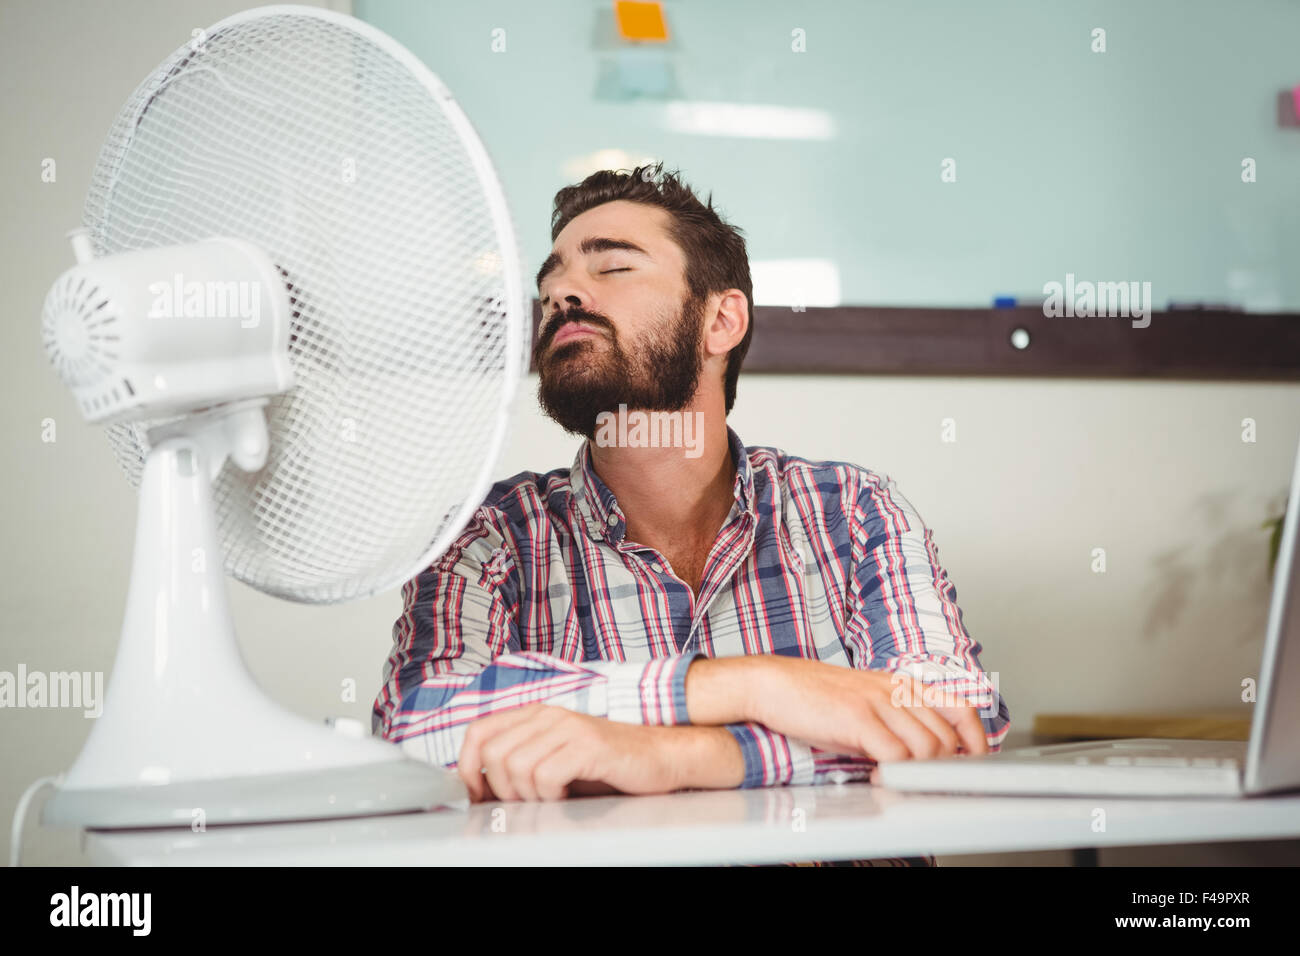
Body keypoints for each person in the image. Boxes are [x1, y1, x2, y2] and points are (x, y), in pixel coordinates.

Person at [372, 163, 1011, 866]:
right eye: (548, 283)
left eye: (612, 266)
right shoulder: (488, 537)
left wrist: (677, 754)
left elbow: (953, 725)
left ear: (721, 319)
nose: (561, 294)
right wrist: (753, 685)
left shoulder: (855, 512)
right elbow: (411, 739)